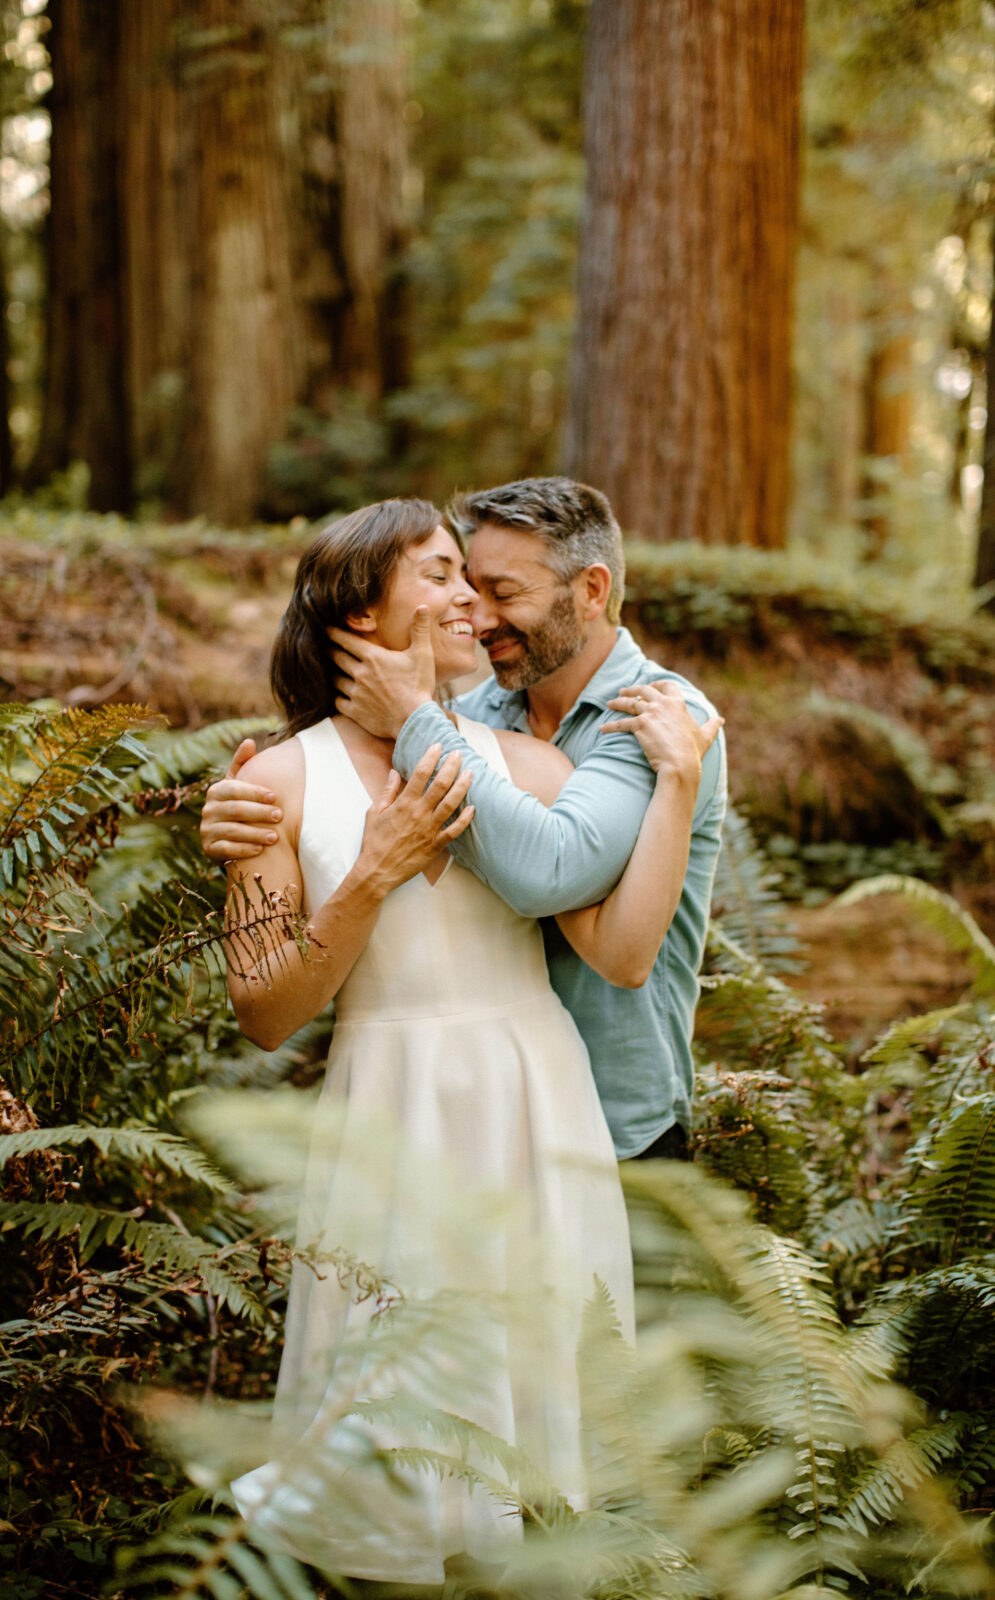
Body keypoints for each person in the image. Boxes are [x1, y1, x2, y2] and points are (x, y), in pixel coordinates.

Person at [221, 497, 721, 1584]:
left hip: (537, 1104)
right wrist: (371, 870)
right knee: (389, 1394)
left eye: (480, 581)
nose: (468, 605)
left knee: (552, 1402)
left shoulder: (522, 768)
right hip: (391, 1105)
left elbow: (620, 946)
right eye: (443, 575)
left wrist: (679, 780)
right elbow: (262, 1009)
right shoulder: (271, 784)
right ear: (360, 608)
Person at [203, 477, 728, 1168]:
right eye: (461, 584)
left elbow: (566, 894)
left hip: (610, 1111)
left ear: (591, 592)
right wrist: (233, 815)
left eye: (501, 594)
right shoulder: (474, 720)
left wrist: (413, 718)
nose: (477, 616)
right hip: (415, 1116)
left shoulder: (657, 721)